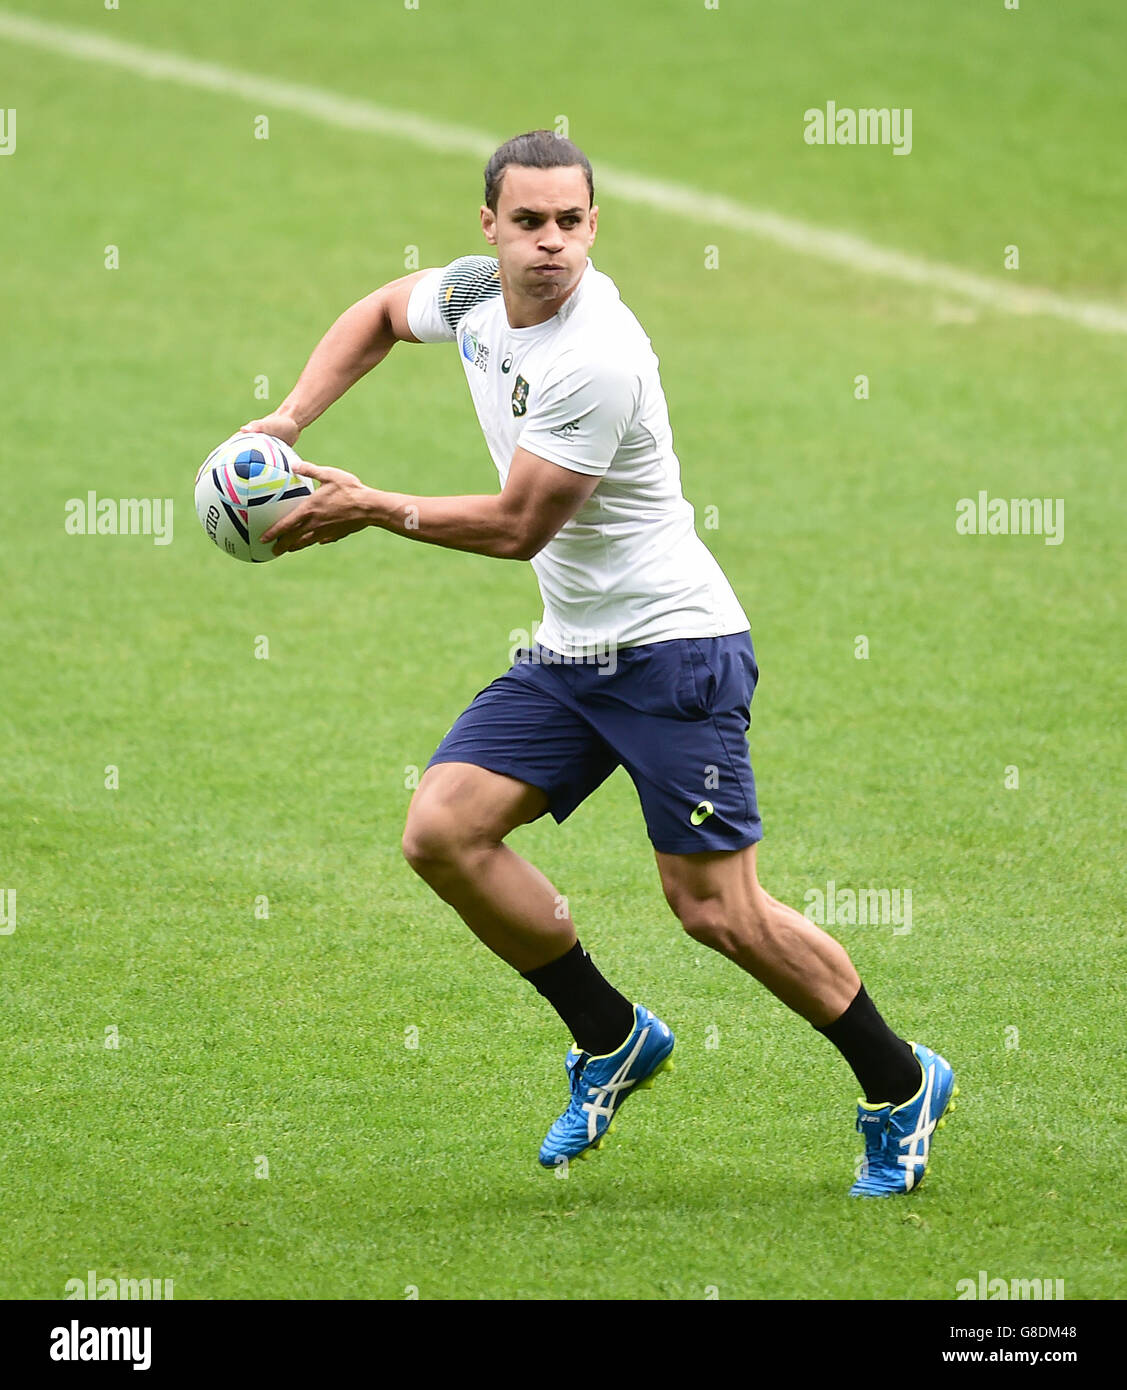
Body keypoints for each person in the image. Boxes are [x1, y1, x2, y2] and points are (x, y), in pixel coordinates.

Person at [248, 129, 956, 1195]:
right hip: (574, 652)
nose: (548, 244)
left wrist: (370, 507)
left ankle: (899, 1084)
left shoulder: (597, 355)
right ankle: (610, 1035)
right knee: (441, 830)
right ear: (487, 224)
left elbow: (516, 525)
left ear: (592, 226)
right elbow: (375, 314)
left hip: (676, 654)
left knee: (716, 909)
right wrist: (288, 418)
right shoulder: (476, 295)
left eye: (568, 223)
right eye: (526, 221)